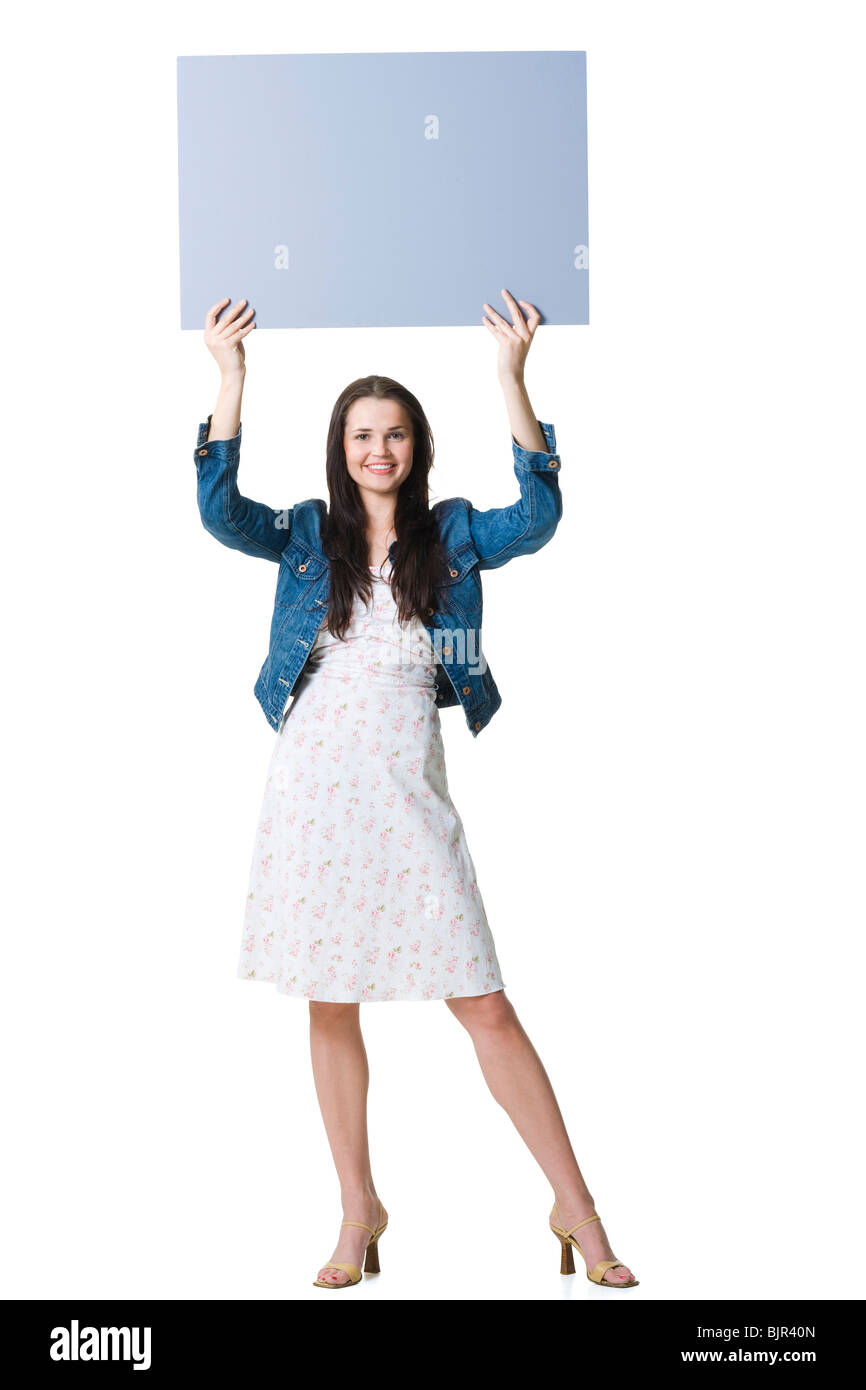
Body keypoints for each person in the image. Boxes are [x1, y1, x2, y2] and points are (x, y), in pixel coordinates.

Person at [194, 291, 638, 1291]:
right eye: (360, 434)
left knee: (479, 999)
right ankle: (357, 1207)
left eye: (393, 433)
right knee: (329, 997)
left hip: (407, 796)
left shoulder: (454, 534)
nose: (377, 448)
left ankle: (574, 1201)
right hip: (311, 789)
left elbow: (541, 514)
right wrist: (230, 380)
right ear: (339, 448)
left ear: (416, 445)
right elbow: (220, 513)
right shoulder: (308, 534)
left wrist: (512, 380)